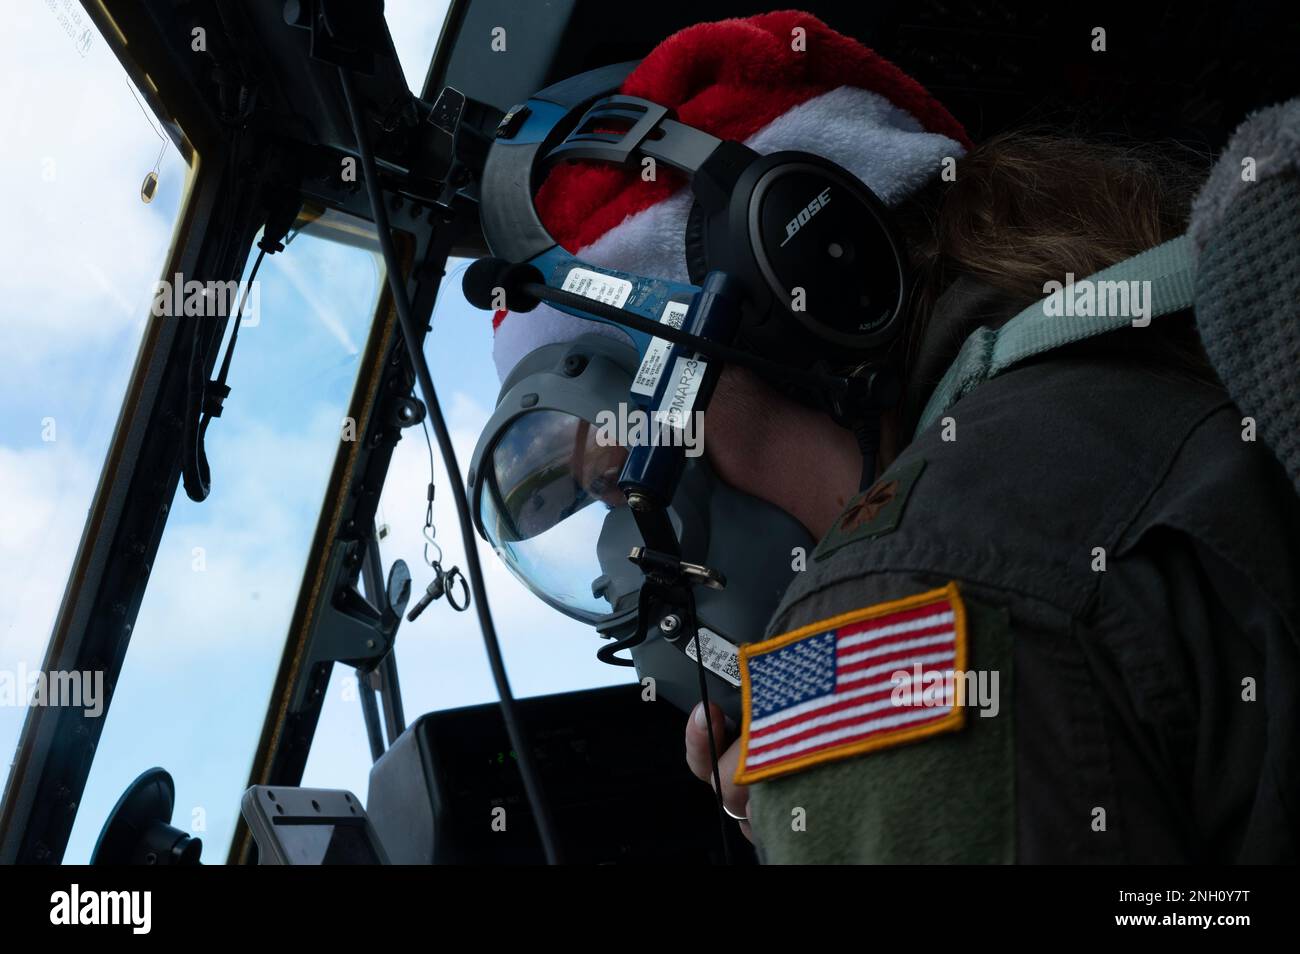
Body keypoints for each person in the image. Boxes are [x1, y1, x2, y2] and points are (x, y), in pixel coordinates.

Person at [482, 12, 1300, 862]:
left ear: (807, 299)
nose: (640, 552)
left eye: (627, 471)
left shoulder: (885, 615)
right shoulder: (1186, 346)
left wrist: (833, 761)